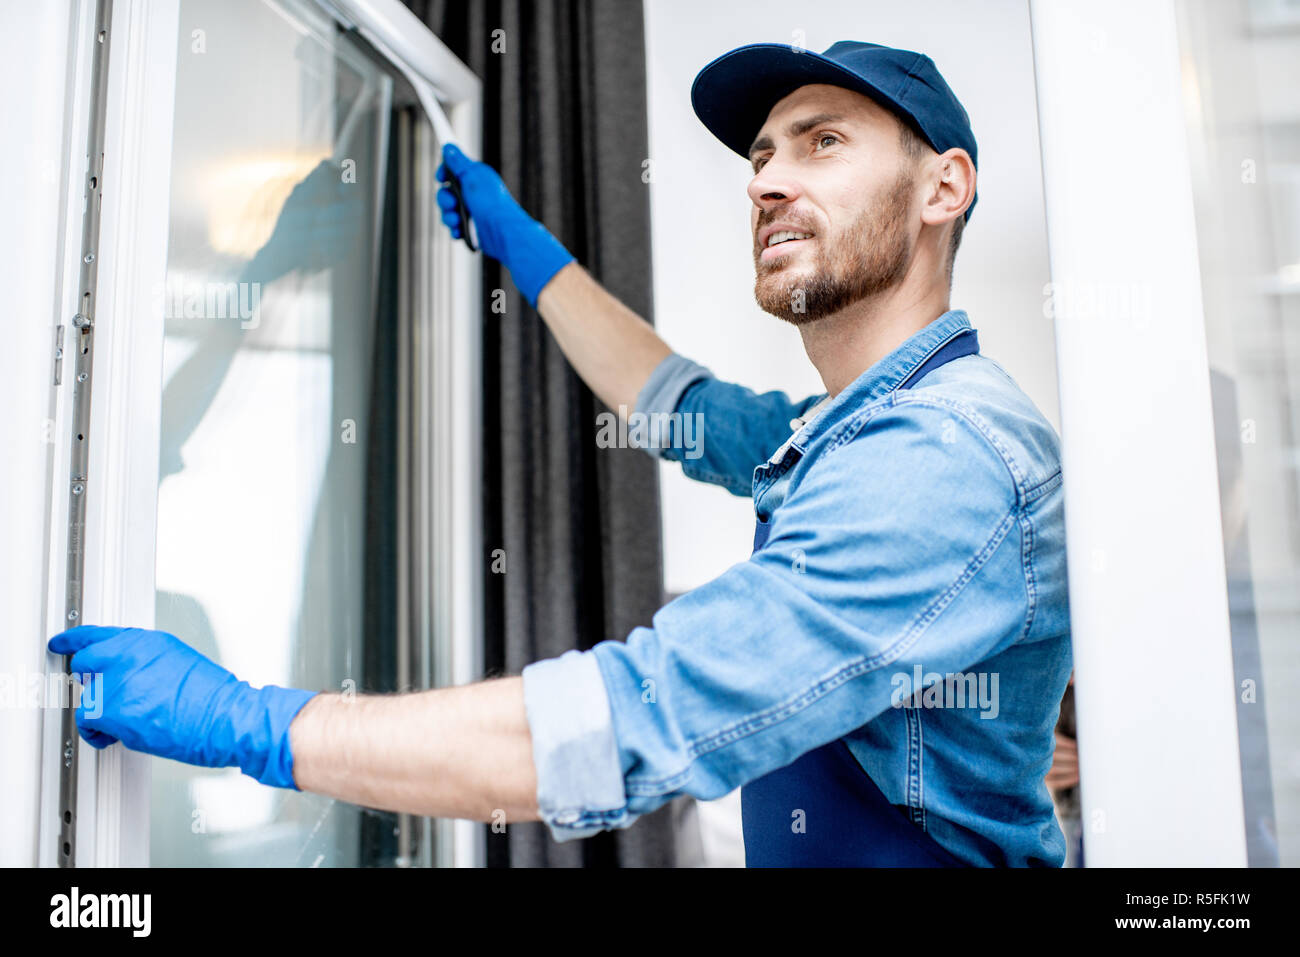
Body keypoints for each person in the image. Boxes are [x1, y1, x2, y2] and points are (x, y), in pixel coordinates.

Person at [49, 40, 1072, 867]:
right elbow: (673, 403)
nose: (768, 182)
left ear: (944, 188)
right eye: (761, 156)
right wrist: (525, 250)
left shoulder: (941, 453)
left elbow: (634, 716)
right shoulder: (852, 426)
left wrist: (254, 727)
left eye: (822, 143)